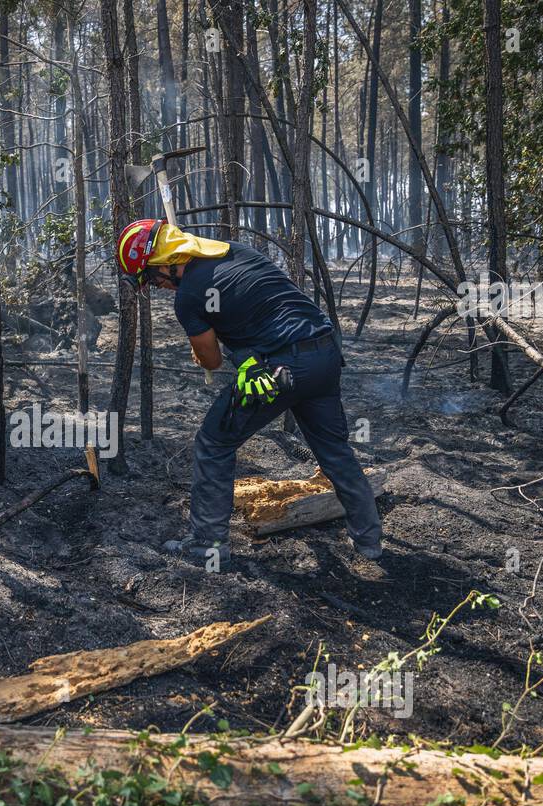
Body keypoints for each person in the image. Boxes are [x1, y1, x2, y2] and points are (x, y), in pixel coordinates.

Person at [115, 218, 382, 571]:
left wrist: (204, 354)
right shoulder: (236, 252)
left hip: (279, 369)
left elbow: (210, 359)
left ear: (166, 261)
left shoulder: (190, 297)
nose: (156, 286)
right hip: (325, 354)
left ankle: (207, 543)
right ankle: (369, 542)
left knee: (213, 442)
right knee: (335, 451)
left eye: (150, 277)